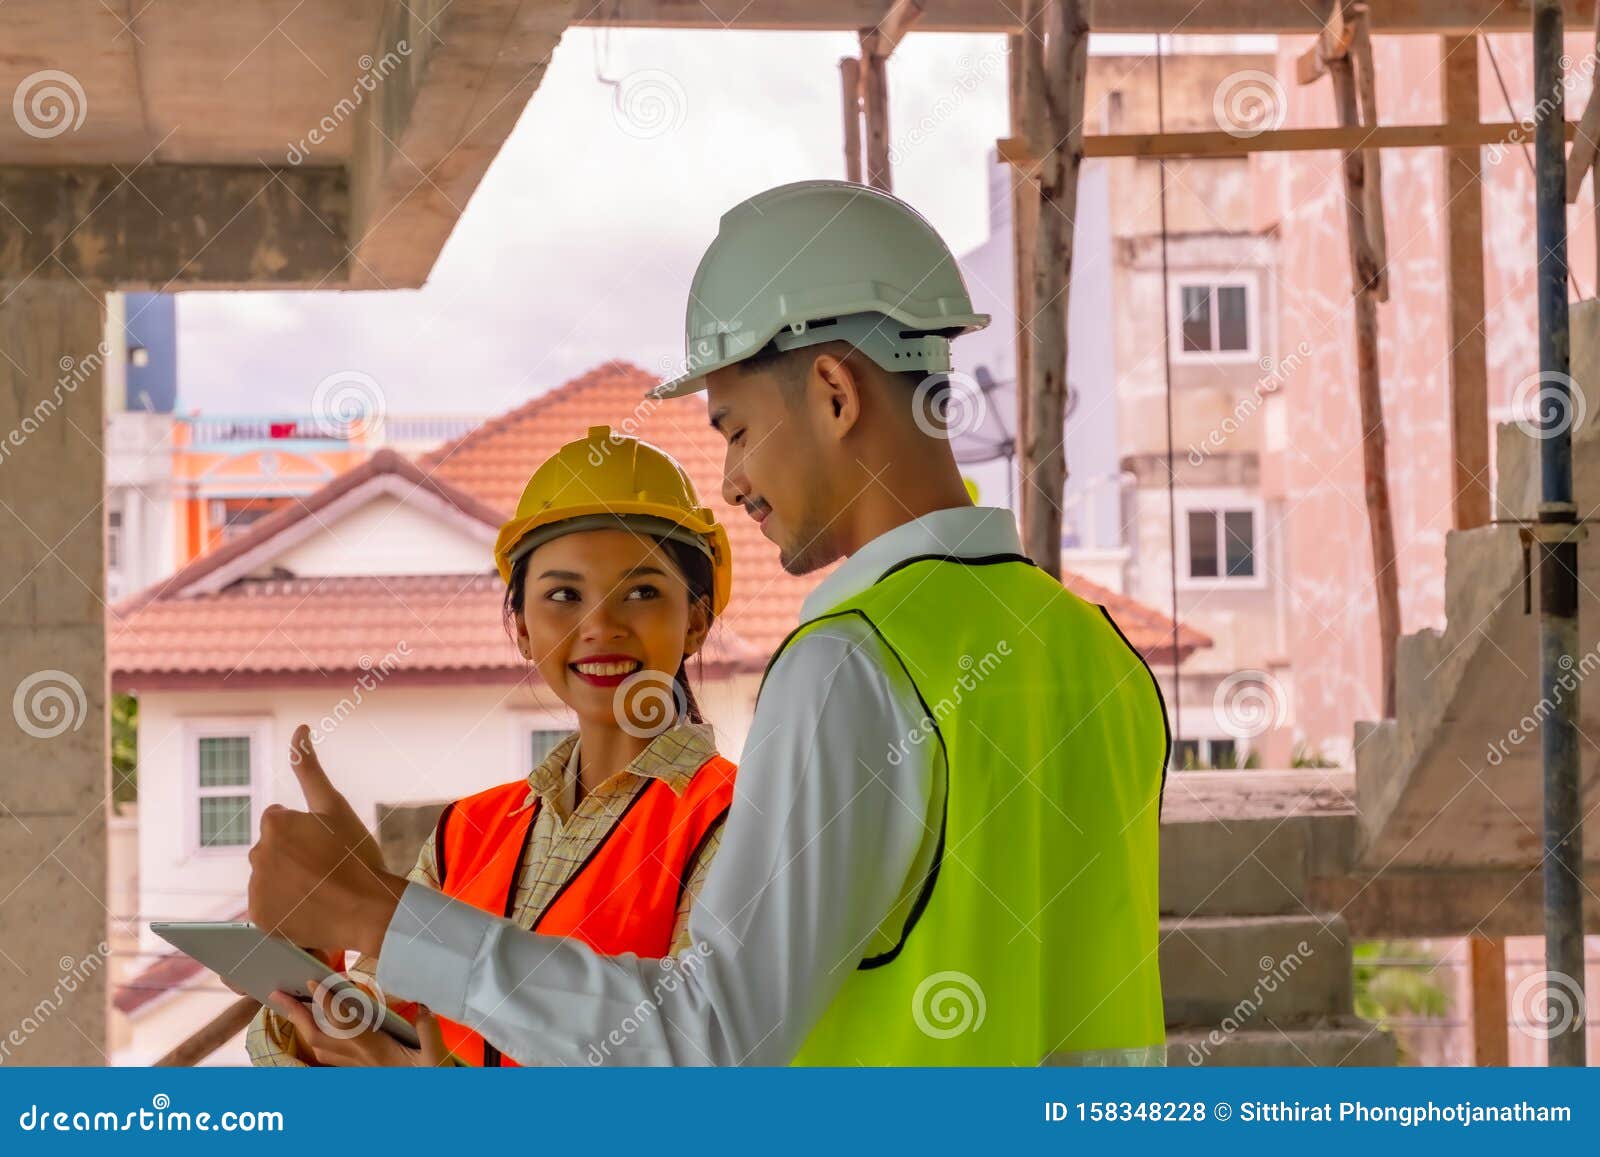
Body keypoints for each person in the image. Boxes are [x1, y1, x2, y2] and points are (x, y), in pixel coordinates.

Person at [246, 179, 1171, 1066]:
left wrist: (382, 916)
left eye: (735, 429)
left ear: (835, 392)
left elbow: (711, 1040)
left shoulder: (854, 661)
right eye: (560, 595)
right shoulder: (1103, 652)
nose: (731, 480)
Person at [244, 427, 737, 1066]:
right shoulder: (465, 834)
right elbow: (342, 1034)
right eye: (563, 596)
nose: (599, 626)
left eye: (642, 592)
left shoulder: (739, 821)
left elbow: (707, 1063)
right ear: (524, 630)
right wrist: (311, 960)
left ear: (695, 620)